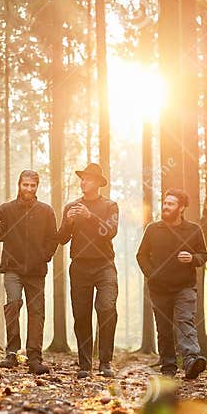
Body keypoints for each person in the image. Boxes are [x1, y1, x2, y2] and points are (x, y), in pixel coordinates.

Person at [0, 170, 58, 373]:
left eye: (32, 185)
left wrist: (44, 256)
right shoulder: (6, 210)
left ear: (37, 187)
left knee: (36, 312)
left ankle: (34, 357)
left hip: (36, 271)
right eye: (25, 185)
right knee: (13, 303)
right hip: (12, 269)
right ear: (19, 185)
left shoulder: (46, 211)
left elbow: (53, 238)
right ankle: (12, 353)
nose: (29, 189)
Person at [136, 189, 207, 379]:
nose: (166, 206)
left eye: (171, 204)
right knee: (164, 329)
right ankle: (168, 367)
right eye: (165, 203)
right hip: (159, 289)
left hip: (185, 287)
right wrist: (151, 275)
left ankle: (191, 360)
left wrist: (192, 258)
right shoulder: (153, 229)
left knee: (185, 321)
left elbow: (203, 255)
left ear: (182, 208)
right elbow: (141, 255)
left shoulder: (193, 230)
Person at [57, 162, 119, 379]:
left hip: (104, 265)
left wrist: (89, 217)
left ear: (98, 183)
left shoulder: (110, 206)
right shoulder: (71, 207)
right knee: (81, 315)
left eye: (88, 179)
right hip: (80, 265)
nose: (83, 182)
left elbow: (110, 231)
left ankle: (105, 362)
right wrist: (69, 222)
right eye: (82, 178)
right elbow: (62, 239)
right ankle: (84, 365)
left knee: (106, 308)